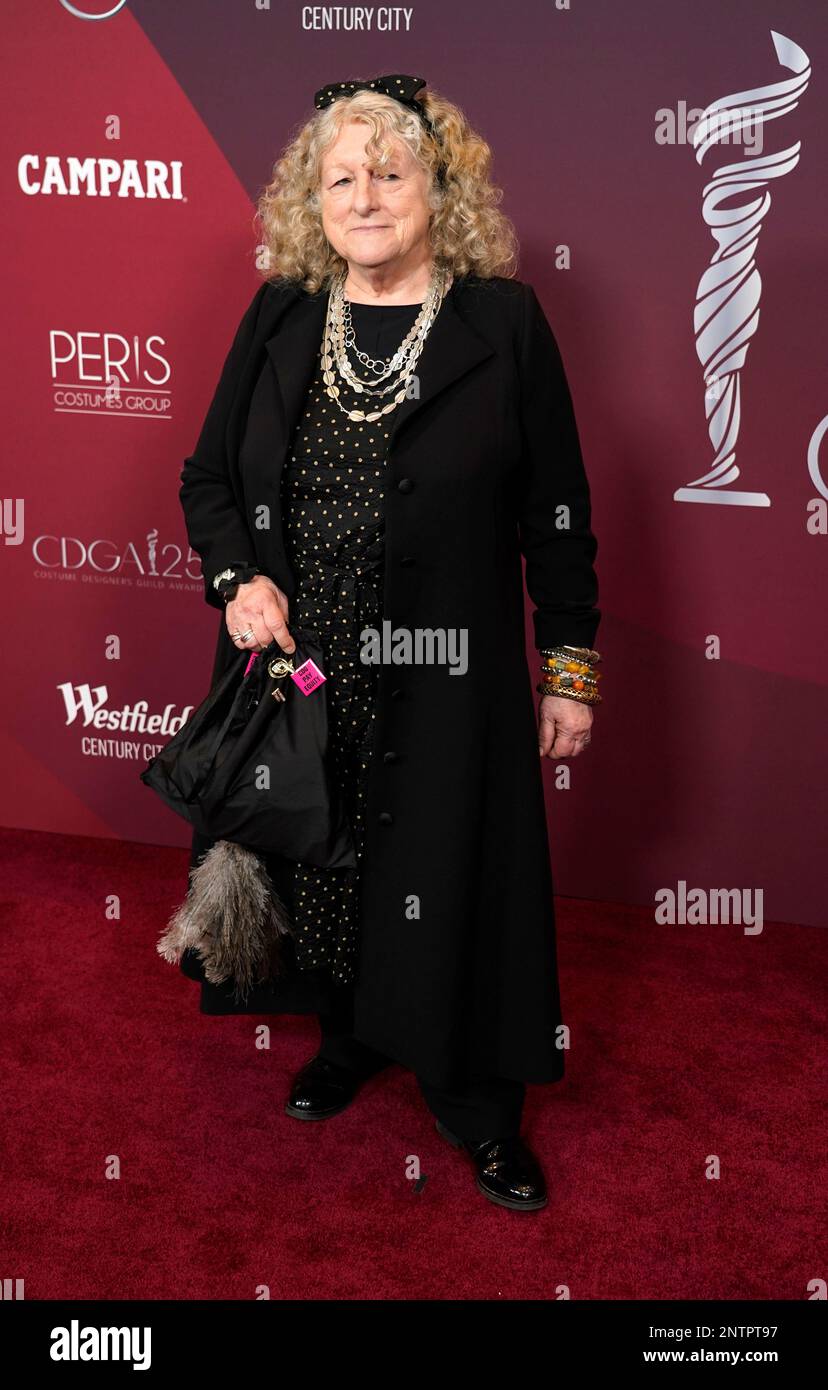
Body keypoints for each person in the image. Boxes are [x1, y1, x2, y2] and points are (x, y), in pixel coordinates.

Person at [171, 74, 601, 1213]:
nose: (366, 197)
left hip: (449, 683)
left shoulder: (502, 323)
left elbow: (558, 509)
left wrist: (569, 669)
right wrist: (235, 579)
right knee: (329, 865)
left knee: (455, 877)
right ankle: (351, 1037)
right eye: (340, 179)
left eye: (391, 173)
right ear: (313, 202)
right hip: (304, 671)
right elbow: (208, 478)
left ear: (437, 189)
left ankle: (478, 1103)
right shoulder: (278, 313)